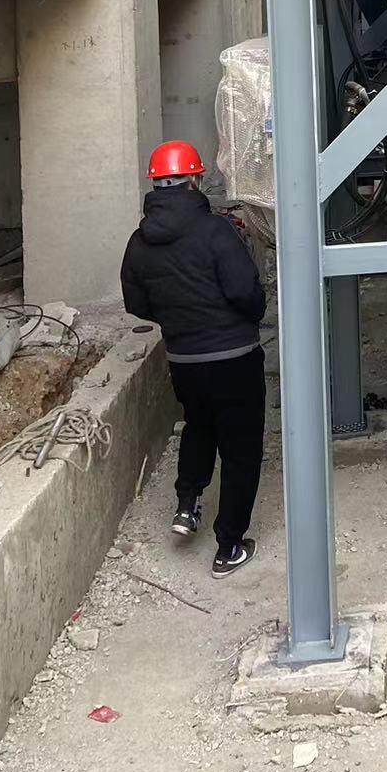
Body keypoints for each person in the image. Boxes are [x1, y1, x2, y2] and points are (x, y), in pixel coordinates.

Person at [120, 140, 266, 577]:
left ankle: (187, 504)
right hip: (234, 358)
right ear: (195, 180)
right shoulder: (215, 232)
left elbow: (137, 303)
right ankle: (229, 546)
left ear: (156, 186)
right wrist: (250, 315)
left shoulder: (139, 243)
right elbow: (244, 293)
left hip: (183, 359)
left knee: (199, 426)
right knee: (240, 449)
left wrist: (178, 320)